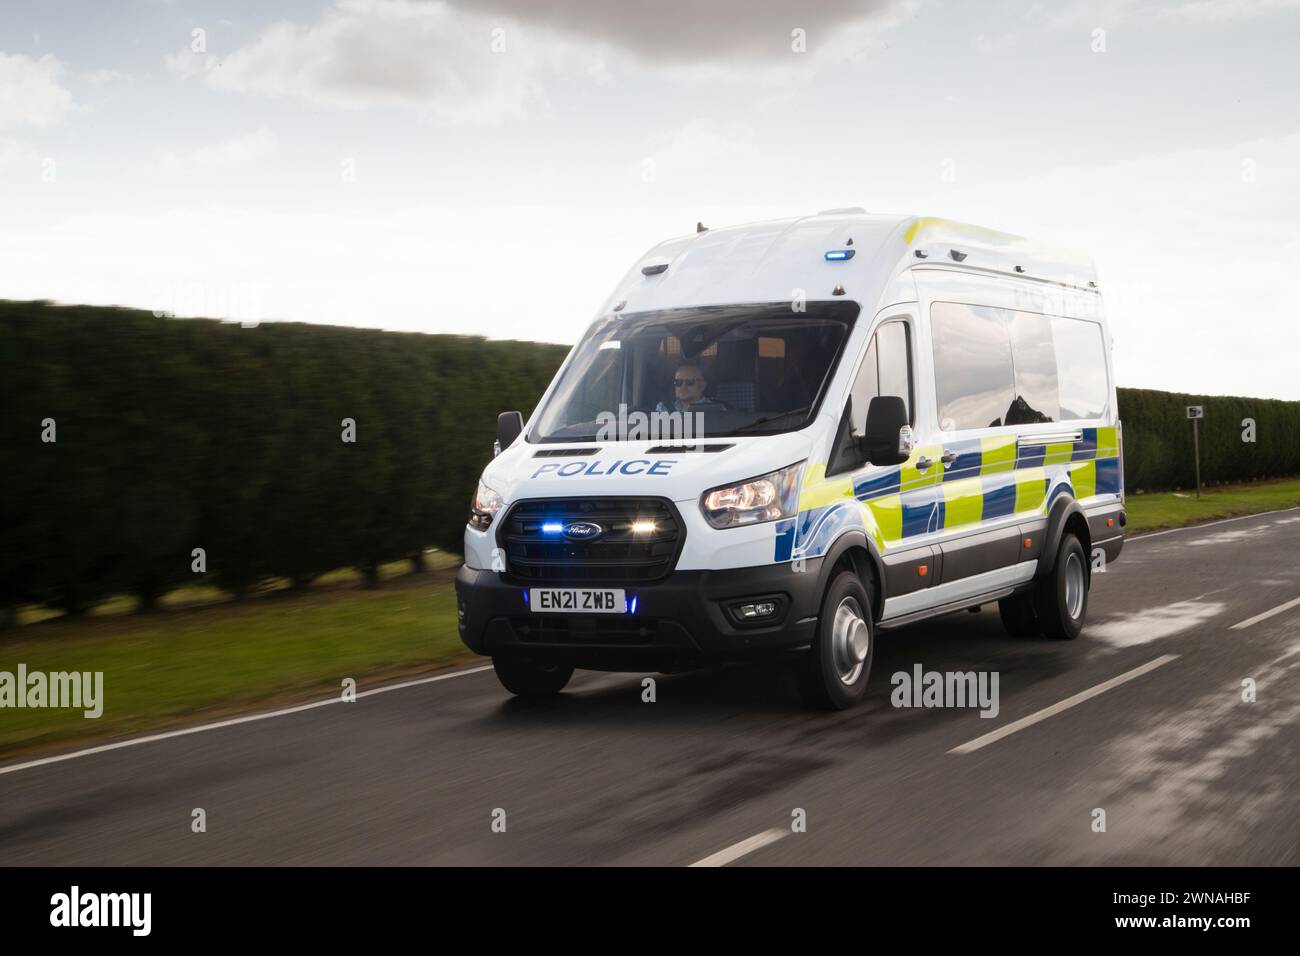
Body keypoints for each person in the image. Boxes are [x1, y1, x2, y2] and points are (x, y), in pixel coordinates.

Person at [655, 363, 723, 413]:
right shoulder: (663, 408)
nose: (683, 386)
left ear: (702, 385)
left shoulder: (718, 409)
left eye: (690, 382)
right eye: (678, 382)